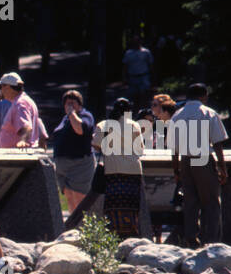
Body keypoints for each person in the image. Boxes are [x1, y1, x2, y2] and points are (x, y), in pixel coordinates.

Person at [168, 82, 228, 246]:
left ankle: (191, 238)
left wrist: (176, 170)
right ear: (203, 96)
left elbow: (173, 148)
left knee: (190, 202)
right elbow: (217, 143)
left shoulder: (177, 115)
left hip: (185, 160)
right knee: (211, 201)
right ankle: (211, 240)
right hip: (203, 158)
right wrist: (222, 168)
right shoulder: (208, 113)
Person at [92, 97, 145, 237]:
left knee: (114, 208)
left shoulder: (103, 125)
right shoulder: (134, 125)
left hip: (114, 171)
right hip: (133, 171)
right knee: (131, 207)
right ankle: (132, 236)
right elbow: (140, 149)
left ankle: (115, 238)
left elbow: (96, 144)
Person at [50, 89, 96, 213]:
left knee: (80, 200)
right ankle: (73, 228)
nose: (69, 106)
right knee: (70, 199)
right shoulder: (65, 118)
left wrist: (71, 113)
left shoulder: (85, 116)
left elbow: (80, 129)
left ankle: (82, 228)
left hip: (79, 165)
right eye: (67, 103)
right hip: (63, 167)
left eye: (72, 103)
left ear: (79, 104)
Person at [0, 72, 39, 149]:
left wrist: (23, 141)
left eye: (1, 87)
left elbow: (26, 126)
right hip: (18, 153)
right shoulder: (23, 101)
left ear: (8, 87)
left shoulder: (20, 104)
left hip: (19, 154)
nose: (1, 90)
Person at [122, 35, 154, 102]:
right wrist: (124, 78)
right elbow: (125, 66)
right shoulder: (128, 53)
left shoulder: (146, 52)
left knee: (145, 97)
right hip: (132, 78)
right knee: (130, 99)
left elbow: (150, 64)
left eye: (138, 41)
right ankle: (128, 113)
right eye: (135, 41)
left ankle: (144, 112)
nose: (136, 43)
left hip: (144, 77)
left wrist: (152, 77)